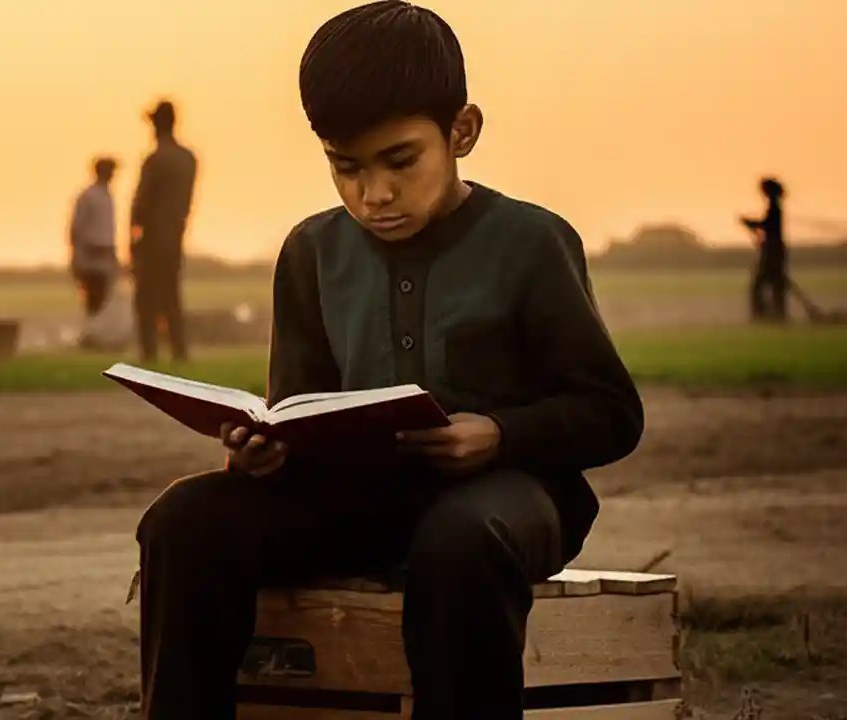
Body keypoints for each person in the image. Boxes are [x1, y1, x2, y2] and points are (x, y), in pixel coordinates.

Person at [133, 4, 644, 719]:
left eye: (401, 161)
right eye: (346, 167)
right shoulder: (312, 251)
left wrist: (498, 434)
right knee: (182, 521)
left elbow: (611, 414)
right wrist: (263, 454)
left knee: (460, 541)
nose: (374, 194)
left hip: (510, 498)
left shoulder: (530, 241)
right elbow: (299, 407)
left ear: (461, 131)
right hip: (357, 499)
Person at [130, 100, 197, 363]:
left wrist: (132, 240)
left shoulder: (156, 160)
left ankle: (150, 353)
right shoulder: (188, 159)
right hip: (175, 235)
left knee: (146, 300)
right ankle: (179, 350)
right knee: (171, 297)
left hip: (152, 238)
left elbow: (141, 205)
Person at [69, 157, 119, 317]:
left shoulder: (107, 196)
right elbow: (76, 228)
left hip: (105, 258)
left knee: (104, 301)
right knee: (94, 301)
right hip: (91, 259)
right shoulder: (89, 196)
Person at [741, 177, 787, 322]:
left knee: (761, 286)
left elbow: (767, 226)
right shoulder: (774, 207)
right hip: (774, 251)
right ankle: (777, 315)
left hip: (772, 252)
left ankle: (763, 316)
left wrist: (751, 223)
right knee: (775, 285)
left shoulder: (774, 208)